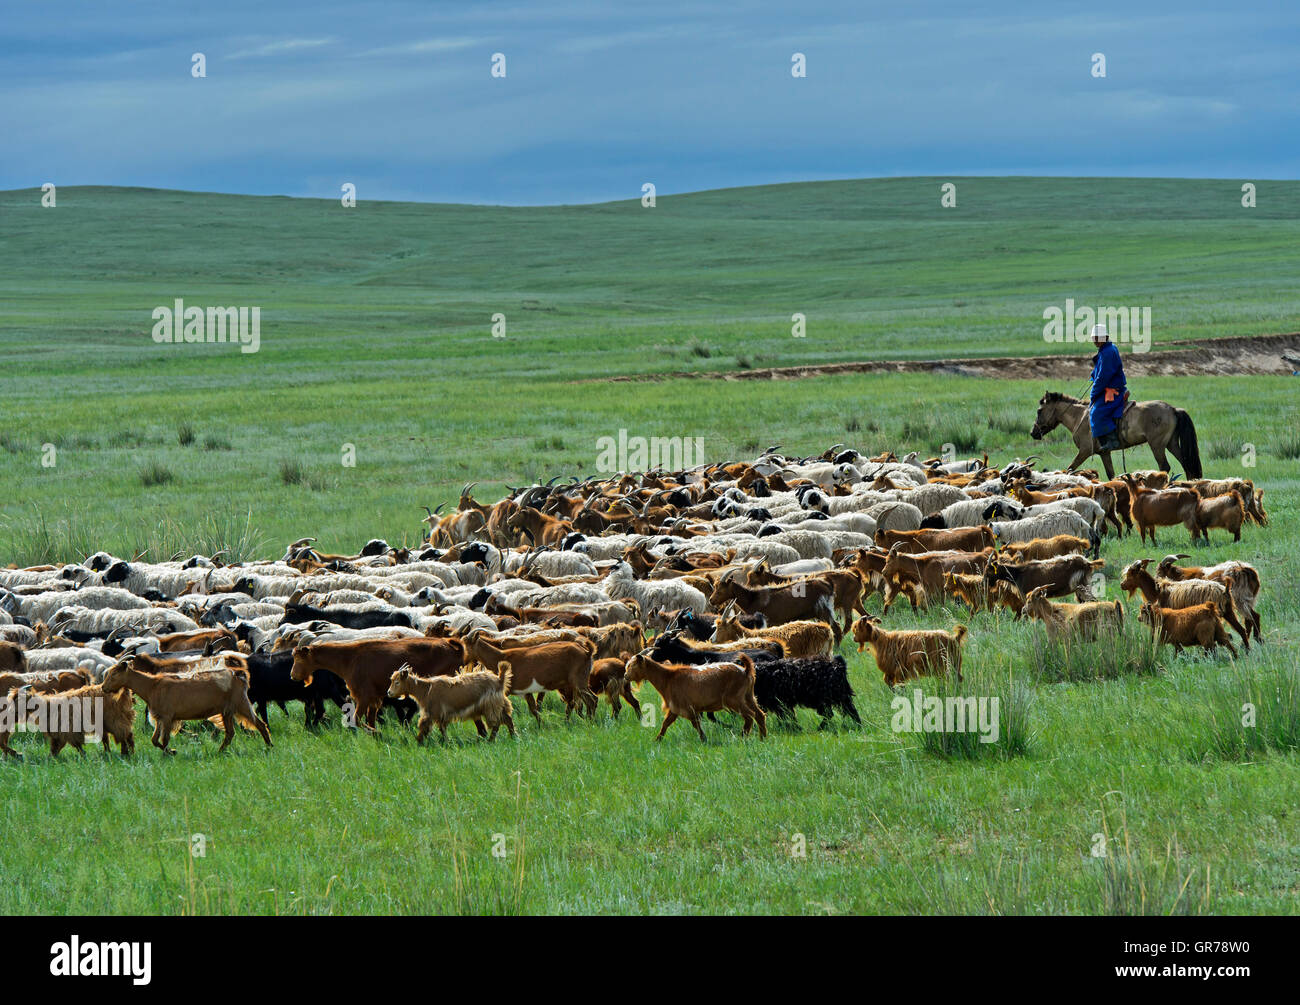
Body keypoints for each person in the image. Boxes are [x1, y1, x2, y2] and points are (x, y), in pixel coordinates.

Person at [1088, 323, 1127, 452]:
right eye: (1095, 338)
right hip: (1108, 387)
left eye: (1098, 338)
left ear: (1105, 337)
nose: (1096, 341)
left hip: (1112, 390)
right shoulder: (1106, 349)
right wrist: (1094, 374)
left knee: (1097, 412)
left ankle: (1112, 440)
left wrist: (1094, 392)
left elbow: (1104, 376)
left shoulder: (1108, 352)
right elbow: (1100, 371)